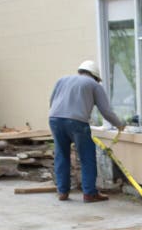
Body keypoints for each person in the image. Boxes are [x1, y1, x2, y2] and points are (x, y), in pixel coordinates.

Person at [49, 60, 124, 202]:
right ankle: (89, 193)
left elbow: (52, 101)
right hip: (76, 122)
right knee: (87, 157)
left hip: (55, 119)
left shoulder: (62, 80)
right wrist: (119, 125)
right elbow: (106, 111)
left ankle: (62, 192)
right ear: (96, 76)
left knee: (61, 155)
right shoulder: (94, 85)